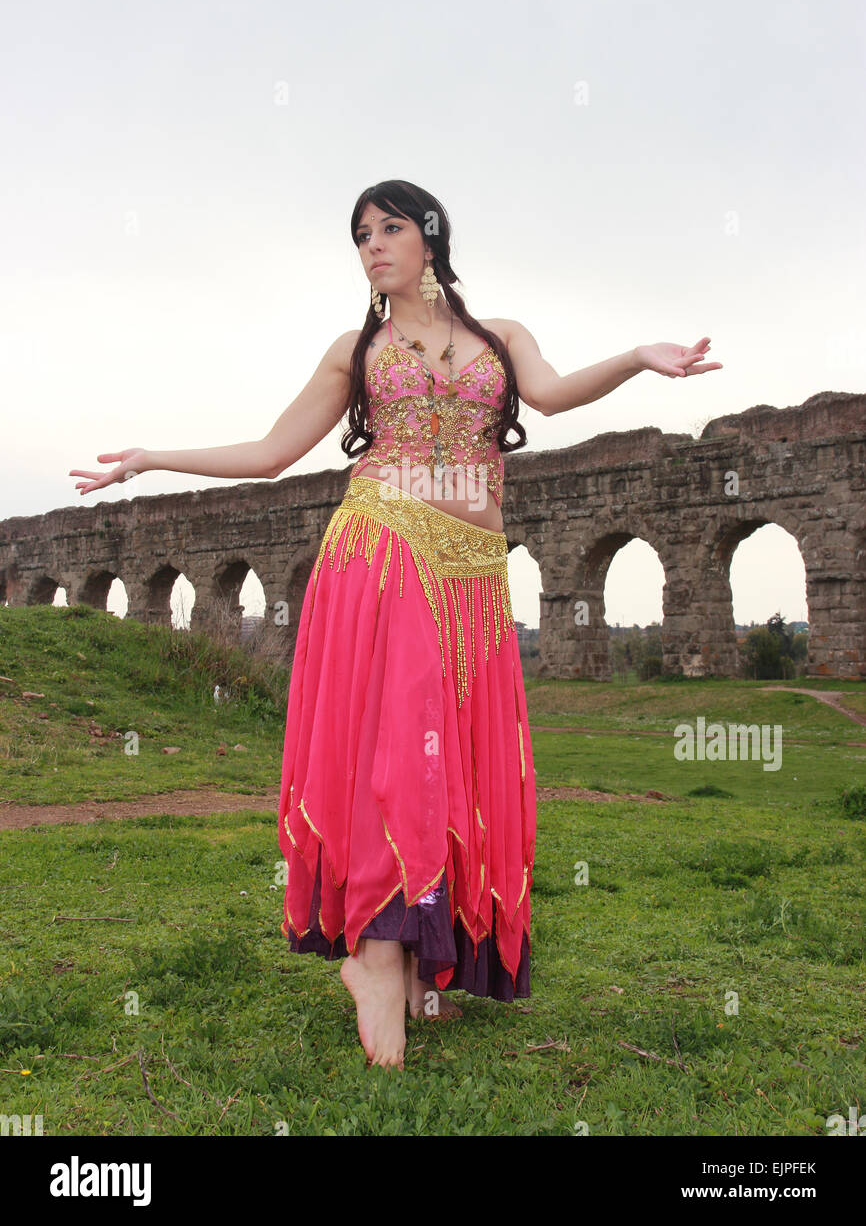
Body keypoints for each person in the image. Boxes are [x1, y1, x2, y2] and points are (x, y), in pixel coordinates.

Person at [70, 178, 722, 1071]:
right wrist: (150, 458)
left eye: (388, 228)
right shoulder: (358, 347)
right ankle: (375, 958)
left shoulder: (504, 339)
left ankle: (422, 955)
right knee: (397, 749)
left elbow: (558, 395)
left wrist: (640, 357)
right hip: (382, 551)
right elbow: (269, 455)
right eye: (359, 235)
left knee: (455, 760)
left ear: (430, 235)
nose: (372, 245)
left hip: (475, 576)